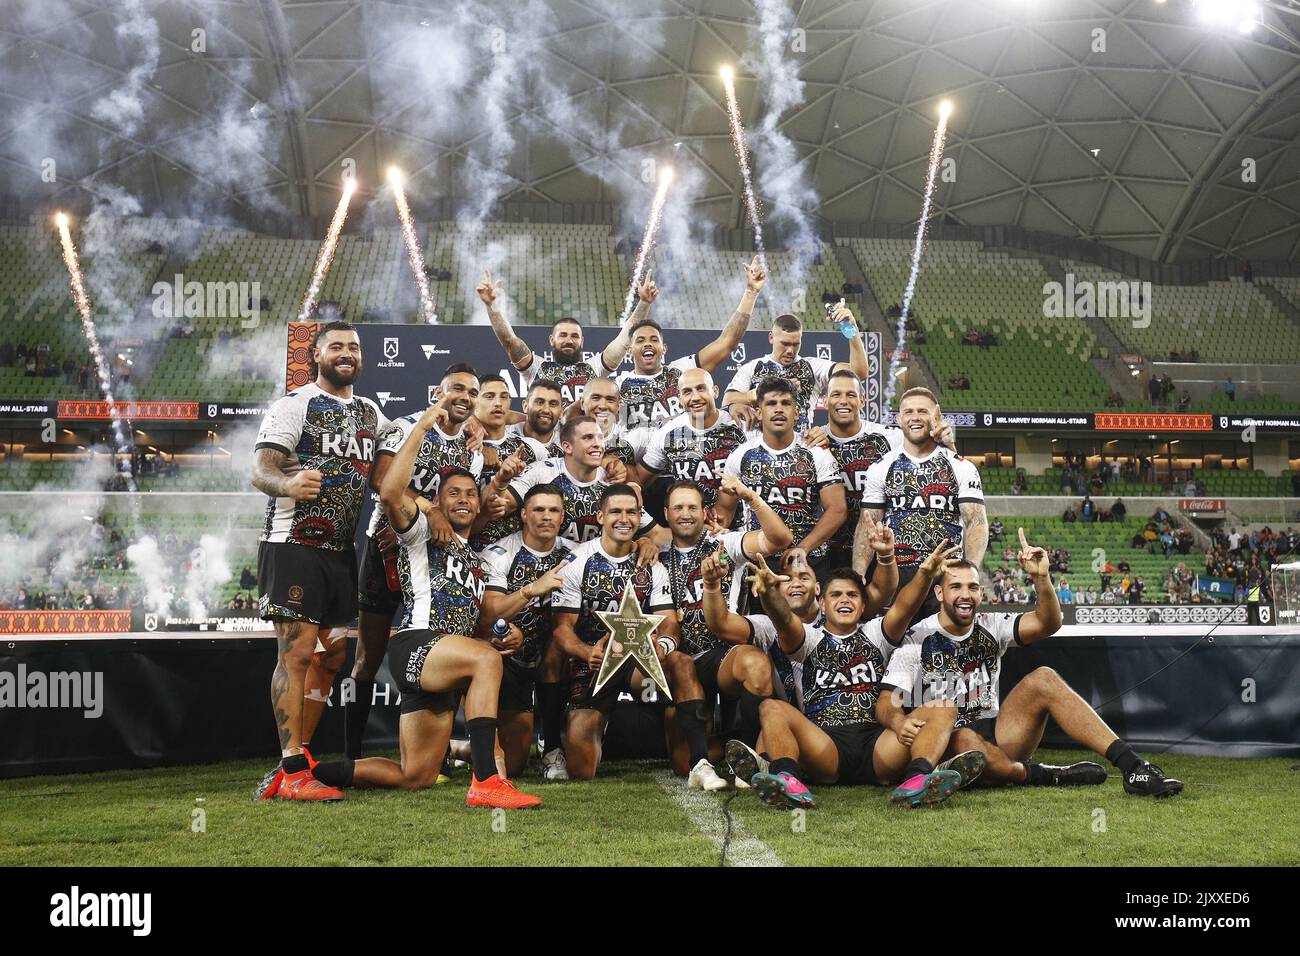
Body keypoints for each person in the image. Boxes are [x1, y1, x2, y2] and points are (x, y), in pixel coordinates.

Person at [311, 425, 541, 808]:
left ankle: (311, 773)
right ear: (437, 500)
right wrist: (424, 425)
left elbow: (483, 627)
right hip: (415, 644)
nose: (464, 500)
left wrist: (508, 633)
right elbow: (388, 491)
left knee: (413, 776)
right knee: (484, 659)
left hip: (442, 669)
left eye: (470, 494)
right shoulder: (421, 532)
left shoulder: (479, 563)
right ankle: (484, 781)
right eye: (453, 494)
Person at [883, 530, 1183, 797]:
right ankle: (1045, 774)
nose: (965, 595)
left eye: (972, 587)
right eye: (956, 587)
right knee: (964, 740)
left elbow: (1048, 623)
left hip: (997, 730)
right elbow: (887, 700)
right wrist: (899, 721)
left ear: (981, 592)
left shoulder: (991, 623)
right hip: (946, 739)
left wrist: (1041, 578)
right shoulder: (917, 636)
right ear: (939, 593)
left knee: (1044, 678)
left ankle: (1134, 767)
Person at [733, 541, 985, 809]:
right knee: (772, 707)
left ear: (864, 603)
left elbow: (904, 607)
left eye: (852, 595)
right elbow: (784, 621)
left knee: (944, 707)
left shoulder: (876, 633)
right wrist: (771, 593)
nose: (844, 600)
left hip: (877, 745)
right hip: (825, 745)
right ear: (823, 603)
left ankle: (917, 781)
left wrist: (924, 575)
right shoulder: (808, 639)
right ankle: (788, 780)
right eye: (836, 595)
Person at [250, 321, 385, 801]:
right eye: (336, 347)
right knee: (298, 654)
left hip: (341, 553)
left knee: (332, 658)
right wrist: (287, 485)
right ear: (318, 355)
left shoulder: (371, 412)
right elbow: (261, 469)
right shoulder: (295, 404)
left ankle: (299, 759)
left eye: (353, 347)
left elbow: (396, 462)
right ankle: (290, 768)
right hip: (293, 547)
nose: (346, 353)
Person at [347, 364, 484, 761]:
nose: (464, 397)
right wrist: (430, 508)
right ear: (437, 393)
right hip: (388, 549)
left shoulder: (471, 451)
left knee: (437, 646)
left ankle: (434, 753)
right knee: (367, 659)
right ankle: (352, 752)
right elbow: (382, 479)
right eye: (456, 389)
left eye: (472, 392)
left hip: (433, 560)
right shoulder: (408, 425)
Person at [657, 477, 791, 778]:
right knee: (681, 761)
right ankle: (722, 746)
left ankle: (748, 751)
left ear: (706, 512)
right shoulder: (656, 551)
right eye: (678, 507)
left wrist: (749, 497)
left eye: (693, 507)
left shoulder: (725, 544)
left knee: (754, 664)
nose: (685, 513)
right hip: (677, 661)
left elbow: (780, 538)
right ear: (666, 513)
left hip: (720, 655)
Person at [552, 485, 680, 780]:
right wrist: (587, 653)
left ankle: (693, 751)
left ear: (639, 516)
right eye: (616, 512)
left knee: (681, 669)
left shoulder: (651, 562)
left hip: (641, 663)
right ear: (600, 516)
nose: (624, 519)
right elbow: (561, 628)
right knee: (581, 770)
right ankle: (597, 724)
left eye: (631, 512)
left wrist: (662, 646)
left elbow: (668, 621)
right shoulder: (578, 561)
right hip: (594, 663)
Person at [859, 386, 986, 623]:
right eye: (908, 412)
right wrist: (858, 575)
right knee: (894, 646)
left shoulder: (961, 466)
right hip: (896, 574)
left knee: (943, 645)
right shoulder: (880, 467)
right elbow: (867, 524)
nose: (915, 417)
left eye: (922, 411)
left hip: (944, 572)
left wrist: (970, 574)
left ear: (936, 416)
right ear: (899, 418)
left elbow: (976, 522)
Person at [473, 484, 573, 779]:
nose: (546, 517)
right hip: (509, 657)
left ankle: (553, 748)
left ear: (562, 516)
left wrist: (641, 545)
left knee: (558, 641)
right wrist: (530, 590)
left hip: (554, 656)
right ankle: (461, 748)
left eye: (553, 510)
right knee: (514, 764)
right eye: (539, 510)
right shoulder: (498, 553)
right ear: (524, 515)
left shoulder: (575, 555)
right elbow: (488, 616)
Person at [599, 257, 763, 432]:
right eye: (640, 340)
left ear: (664, 349)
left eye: (654, 340)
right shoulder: (617, 385)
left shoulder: (683, 371)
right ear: (629, 351)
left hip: (681, 455)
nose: (648, 344)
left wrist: (751, 293)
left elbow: (726, 343)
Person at [719, 378, 845, 574]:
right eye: (771, 403)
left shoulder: (816, 451)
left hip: (810, 558)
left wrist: (804, 547)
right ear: (759, 413)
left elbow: (837, 509)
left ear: (796, 413)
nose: (778, 409)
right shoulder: (740, 456)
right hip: (759, 559)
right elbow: (724, 515)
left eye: (785, 403)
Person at [483, 415, 654, 545]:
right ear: (567, 446)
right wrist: (501, 481)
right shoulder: (542, 472)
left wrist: (646, 543)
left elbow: (657, 534)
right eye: (588, 438)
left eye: (600, 438)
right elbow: (497, 507)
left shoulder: (614, 481)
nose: (598, 444)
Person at [724, 302, 868, 433]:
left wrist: (852, 331)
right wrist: (760, 393)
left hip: (802, 450)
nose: (790, 351)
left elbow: (858, 373)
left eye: (795, 344)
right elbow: (728, 400)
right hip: (758, 449)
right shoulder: (753, 367)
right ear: (771, 338)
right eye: (785, 344)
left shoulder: (812, 366)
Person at [478, 269, 604, 405]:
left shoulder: (594, 367)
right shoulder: (536, 368)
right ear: (552, 340)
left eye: (574, 336)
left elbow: (621, 344)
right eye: (563, 335)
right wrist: (491, 306)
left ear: (582, 341)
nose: (569, 340)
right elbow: (509, 341)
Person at [637, 367, 746, 523]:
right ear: (680, 399)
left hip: (733, 528)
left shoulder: (739, 426)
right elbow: (639, 479)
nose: (695, 397)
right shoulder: (667, 433)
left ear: (715, 391)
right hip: (684, 527)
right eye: (687, 392)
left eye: (701, 389)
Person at [470, 372, 555, 549]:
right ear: (474, 401)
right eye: (489, 396)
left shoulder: (532, 448)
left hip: (518, 552)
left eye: (504, 397)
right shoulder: (462, 446)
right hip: (469, 546)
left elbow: (569, 466)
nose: (498, 403)